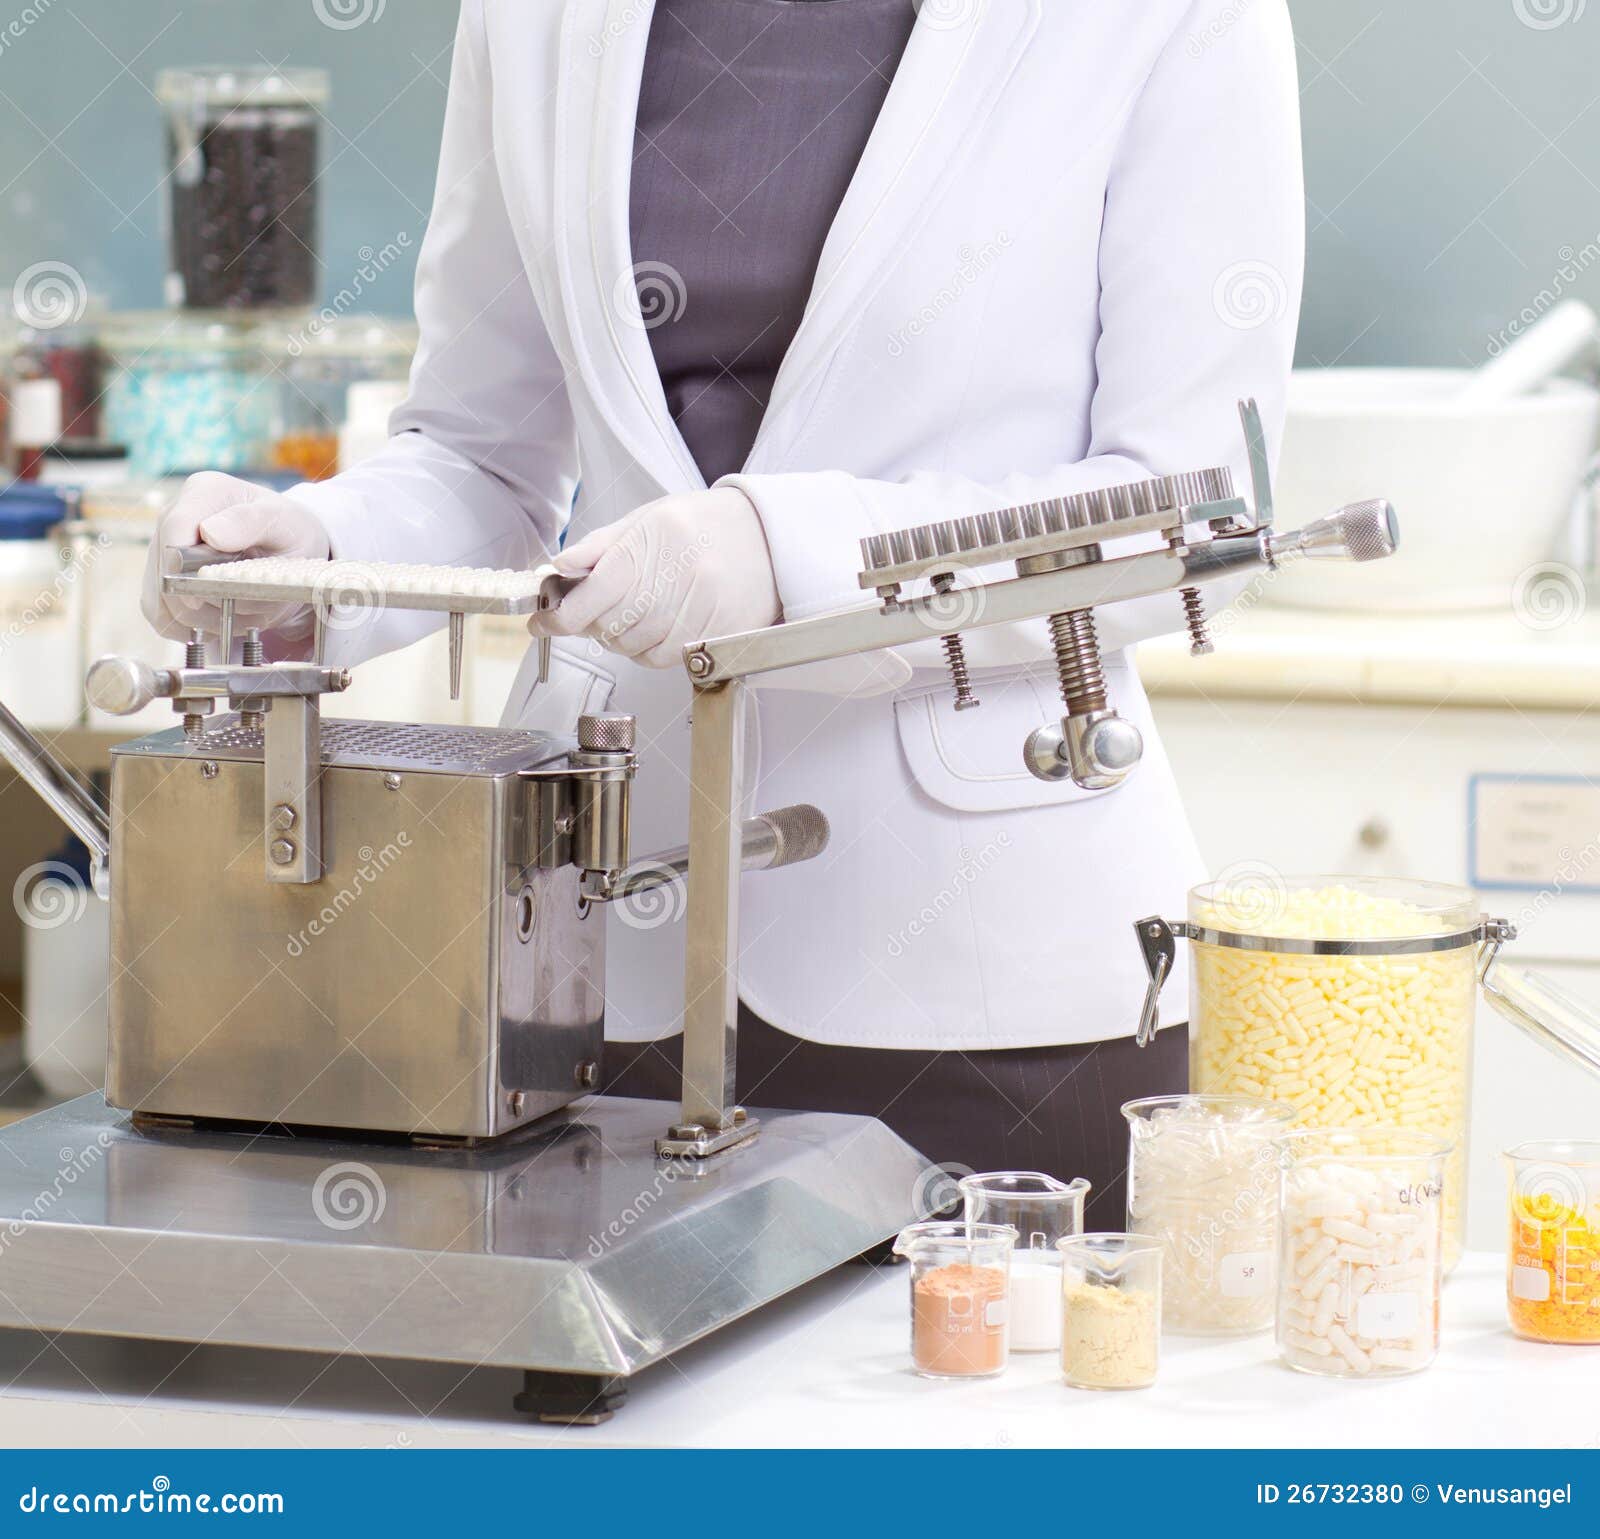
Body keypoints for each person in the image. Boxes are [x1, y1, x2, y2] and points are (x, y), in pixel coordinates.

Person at [144, 0, 1303, 1226]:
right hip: (593, 949)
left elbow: (1189, 518)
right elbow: (481, 455)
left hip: (984, 975)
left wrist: (784, 554)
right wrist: (318, 556)